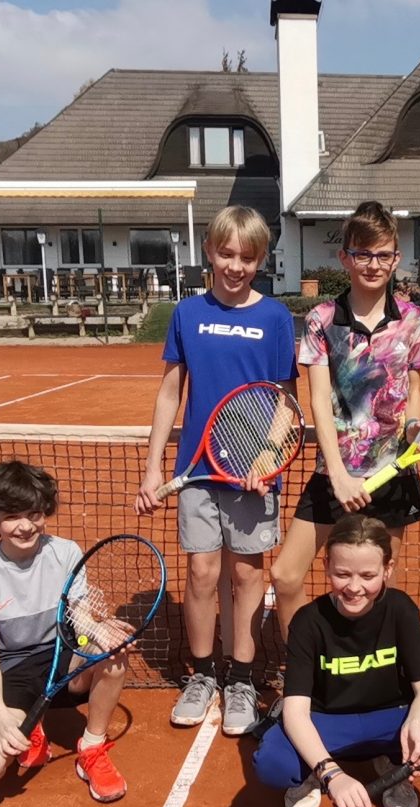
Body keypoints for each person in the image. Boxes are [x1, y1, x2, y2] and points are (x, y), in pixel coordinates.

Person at [134, 206, 299, 736]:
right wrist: (153, 467)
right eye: (226, 254)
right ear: (209, 251)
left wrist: (267, 457)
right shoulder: (186, 314)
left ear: (261, 260)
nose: (235, 266)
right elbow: (170, 393)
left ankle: (242, 679)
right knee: (203, 574)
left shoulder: (275, 318)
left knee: (247, 575)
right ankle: (204, 674)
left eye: (247, 258)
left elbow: (284, 399)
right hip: (197, 468)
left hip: (254, 472)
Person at [270, 201, 420, 644]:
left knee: (379, 589)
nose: (373, 264)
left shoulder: (413, 320)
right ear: (346, 257)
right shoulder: (321, 320)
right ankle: (302, 668)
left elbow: (414, 391)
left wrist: (414, 428)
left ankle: (369, 671)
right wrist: (338, 474)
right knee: (285, 576)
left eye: (383, 255)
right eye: (363, 254)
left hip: (391, 475)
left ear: (396, 258)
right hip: (335, 476)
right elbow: (319, 401)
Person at [254, 514, 420, 807]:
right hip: (328, 721)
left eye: (368, 575)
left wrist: (415, 723)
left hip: (391, 718)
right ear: (326, 565)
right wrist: (332, 774)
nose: (354, 587)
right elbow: (296, 712)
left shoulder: (401, 609)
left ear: (387, 569)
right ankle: (314, 770)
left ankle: (393, 765)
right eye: (342, 574)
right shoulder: (308, 622)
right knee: (273, 764)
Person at [0, 461, 129, 802]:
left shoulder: (65, 553)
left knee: (113, 650)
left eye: (34, 513)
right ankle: (28, 720)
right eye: (12, 516)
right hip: (13, 674)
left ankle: (92, 748)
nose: (25, 526)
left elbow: (80, 618)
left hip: (63, 660)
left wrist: (99, 630)